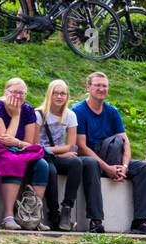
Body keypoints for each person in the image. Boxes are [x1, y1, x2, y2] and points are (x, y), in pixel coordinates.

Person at [73, 72, 146, 235]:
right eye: (97, 85)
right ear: (88, 87)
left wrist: (125, 166)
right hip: (89, 158)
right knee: (91, 164)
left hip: (112, 157)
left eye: (104, 86)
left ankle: (140, 221)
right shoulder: (78, 111)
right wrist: (107, 168)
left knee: (144, 168)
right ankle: (96, 220)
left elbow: (125, 142)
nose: (101, 89)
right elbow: (81, 146)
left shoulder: (112, 112)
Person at [0, 77, 50, 230]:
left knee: (42, 165)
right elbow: (3, 140)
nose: (18, 97)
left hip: (17, 150)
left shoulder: (29, 110)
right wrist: (16, 116)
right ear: (6, 92)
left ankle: (32, 215)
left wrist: (16, 143)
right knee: (12, 160)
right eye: (14, 92)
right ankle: (8, 216)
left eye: (22, 93)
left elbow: (28, 143)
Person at [36, 79, 100, 232]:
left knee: (76, 162)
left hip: (56, 155)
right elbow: (35, 146)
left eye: (63, 94)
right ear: (49, 94)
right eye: (56, 93)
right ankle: (53, 213)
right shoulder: (38, 114)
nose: (59, 97)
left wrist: (62, 152)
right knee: (50, 170)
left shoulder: (70, 115)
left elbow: (72, 146)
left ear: (67, 96)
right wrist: (60, 151)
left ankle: (67, 208)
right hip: (42, 156)